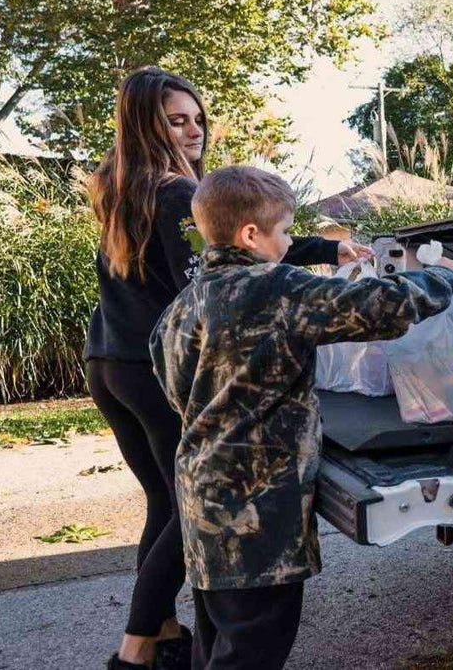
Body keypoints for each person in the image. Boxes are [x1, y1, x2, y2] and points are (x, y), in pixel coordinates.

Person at [84, 67, 372, 670]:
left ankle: (162, 632)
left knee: (164, 504)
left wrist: (322, 248)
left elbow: (237, 245)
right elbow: (230, 270)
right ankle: (136, 649)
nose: (192, 131)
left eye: (196, 119)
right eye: (175, 121)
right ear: (146, 126)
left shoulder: (119, 184)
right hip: (151, 367)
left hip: (109, 360)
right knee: (186, 506)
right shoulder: (172, 194)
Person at [149, 165, 453, 669]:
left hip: (202, 498)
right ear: (251, 235)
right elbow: (377, 306)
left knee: (217, 641)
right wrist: (444, 277)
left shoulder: (182, 306)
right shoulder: (274, 288)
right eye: (288, 232)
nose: (291, 242)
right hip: (258, 514)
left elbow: (172, 387)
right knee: (251, 651)